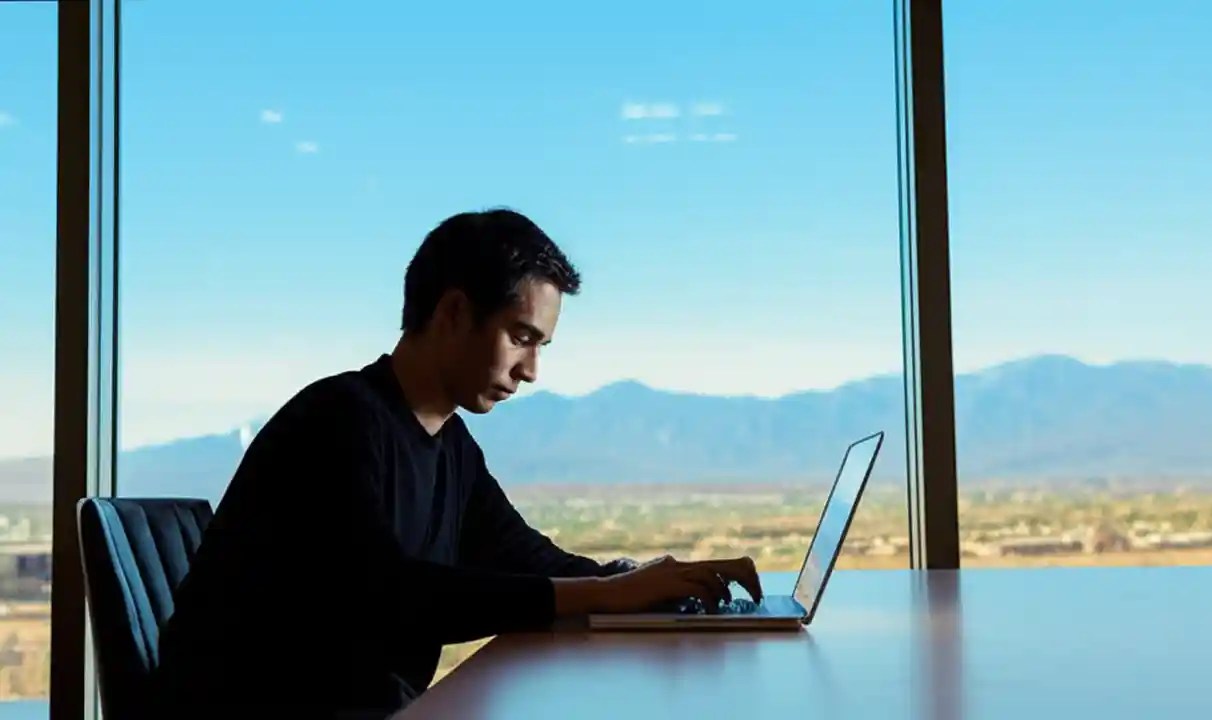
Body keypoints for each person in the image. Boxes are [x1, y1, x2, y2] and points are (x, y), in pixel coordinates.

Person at [154, 208, 763, 717]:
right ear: (452, 314)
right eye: (521, 337)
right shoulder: (338, 421)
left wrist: (643, 586)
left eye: (541, 346)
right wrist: (606, 591)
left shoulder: (450, 444)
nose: (531, 371)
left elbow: (523, 555)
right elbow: (391, 596)